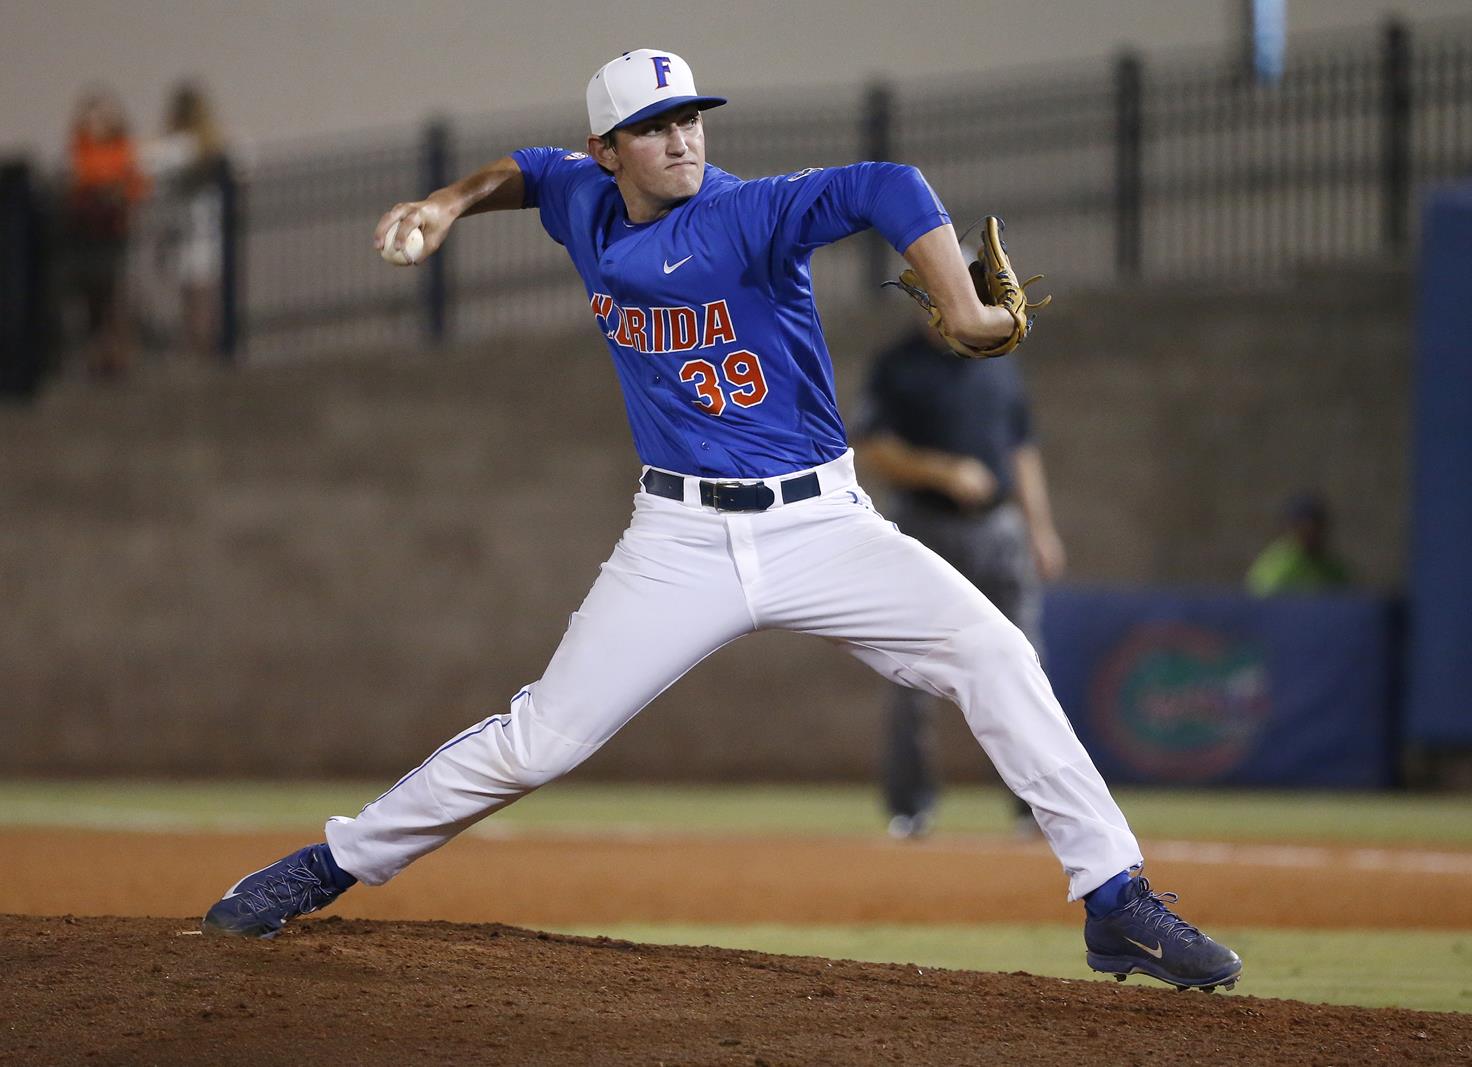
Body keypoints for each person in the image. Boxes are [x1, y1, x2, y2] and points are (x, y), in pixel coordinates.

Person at [201, 48, 1241, 992]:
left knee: (995, 653)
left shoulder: (746, 213)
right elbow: (523, 172)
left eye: (690, 117)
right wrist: (441, 204)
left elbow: (888, 184)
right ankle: (326, 864)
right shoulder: (582, 197)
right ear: (607, 151)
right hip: (679, 538)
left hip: (821, 525)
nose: (681, 139)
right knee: (540, 740)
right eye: (654, 127)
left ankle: (1114, 899)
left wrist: (961, 307)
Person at [855, 322, 1066, 839]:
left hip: (1000, 527)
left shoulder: (998, 360)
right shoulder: (899, 364)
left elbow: (1021, 449)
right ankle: (911, 807)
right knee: (911, 671)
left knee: (1025, 664)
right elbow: (871, 447)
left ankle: (1039, 807)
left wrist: (1040, 528)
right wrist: (944, 472)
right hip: (925, 527)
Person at [62, 86, 146, 379]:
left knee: (113, 295)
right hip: (86, 235)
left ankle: (117, 354)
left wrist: (117, 193)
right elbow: (78, 181)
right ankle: (96, 355)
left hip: (112, 232)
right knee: (91, 298)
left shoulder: (122, 147)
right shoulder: (80, 147)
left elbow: (135, 184)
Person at [141, 80, 227, 360]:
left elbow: (149, 162)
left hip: (196, 232)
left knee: (198, 296)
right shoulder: (201, 145)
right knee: (200, 295)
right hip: (196, 231)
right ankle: (203, 345)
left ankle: (203, 346)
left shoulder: (187, 147)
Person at [1246, 491, 1351, 595]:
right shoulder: (1274, 568)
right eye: (1303, 527)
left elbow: (1350, 597)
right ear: (1291, 528)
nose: (1310, 533)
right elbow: (1258, 599)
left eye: (1316, 526)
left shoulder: (1334, 569)